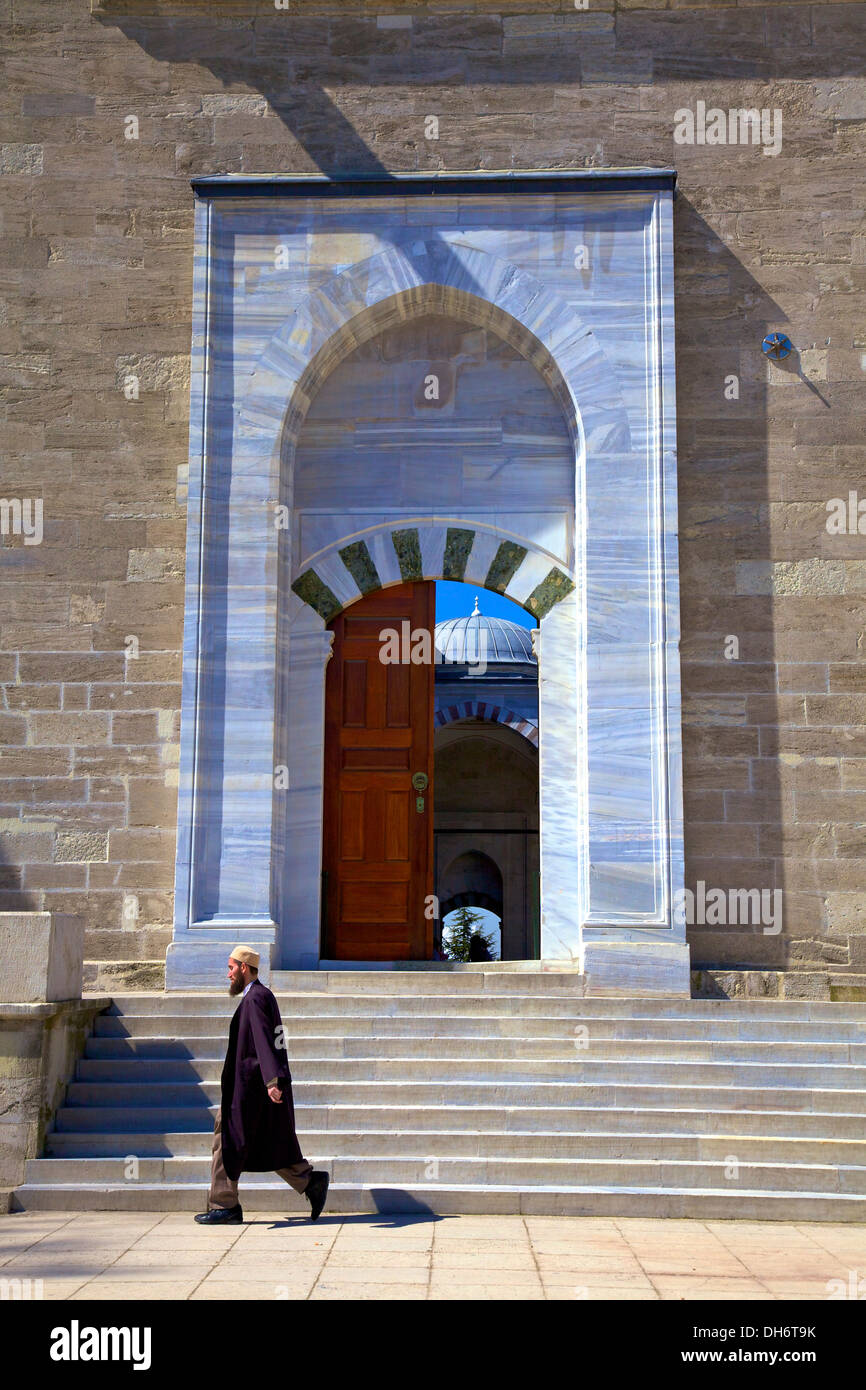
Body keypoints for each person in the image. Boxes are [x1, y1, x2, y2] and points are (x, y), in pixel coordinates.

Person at [194, 945, 329, 1225]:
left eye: (231, 968)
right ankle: (308, 1181)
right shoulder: (260, 996)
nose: (227, 974)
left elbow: (266, 1040)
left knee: (226, 1141)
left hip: (248, 1090)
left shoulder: (256, 998)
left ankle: (225, 1205)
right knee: (266, 1142)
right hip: (253, 1088)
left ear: (244, 967)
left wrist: (272, 1080)